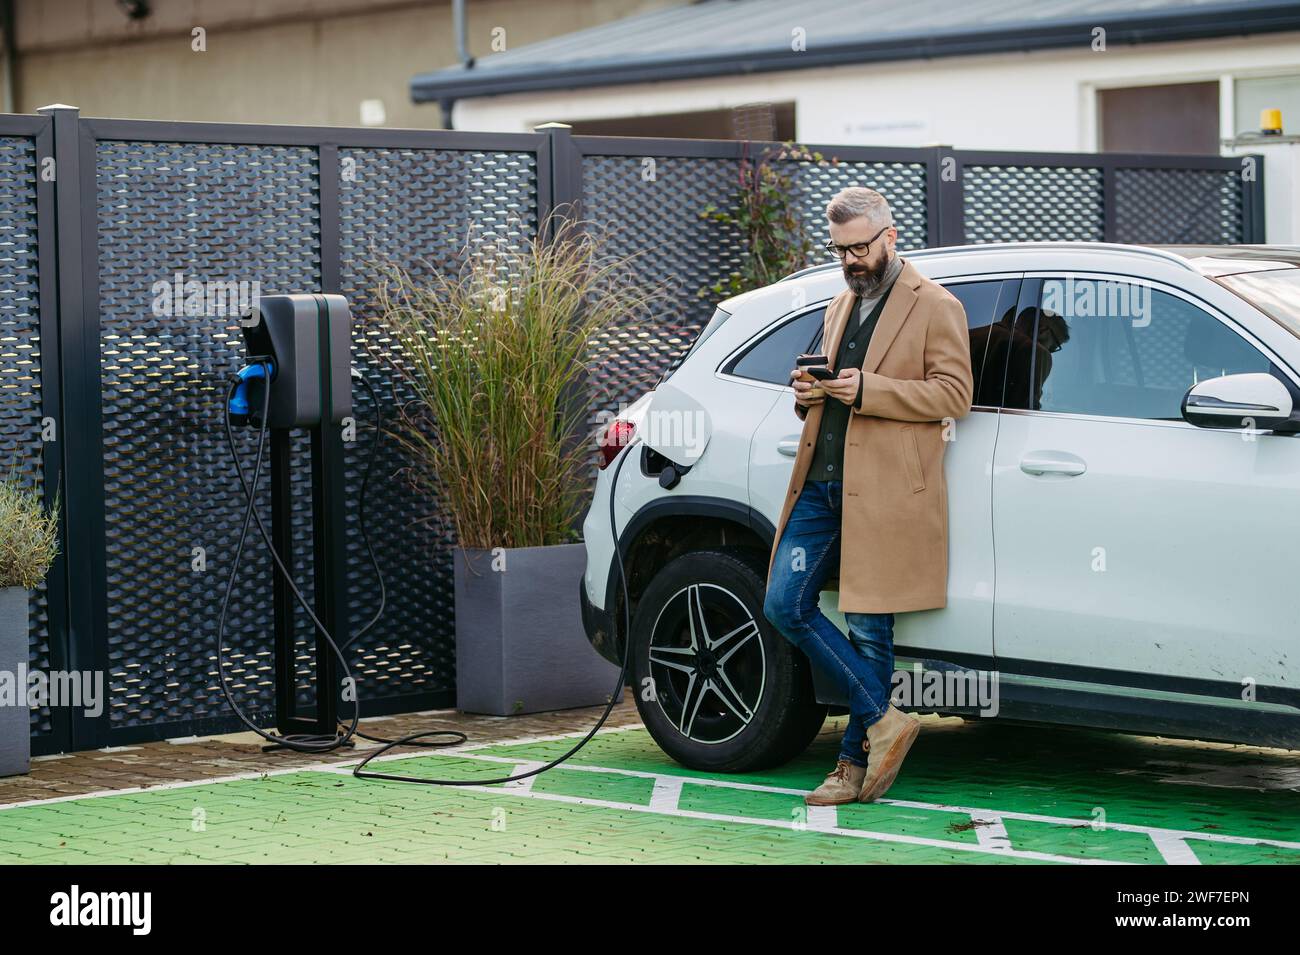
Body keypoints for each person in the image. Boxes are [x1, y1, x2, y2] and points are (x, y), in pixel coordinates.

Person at [762, 186, 974, 806]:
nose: (852, 260)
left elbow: (952, 395)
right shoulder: (838, 304)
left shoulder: (937, 306)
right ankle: (887, 716)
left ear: (890, 237)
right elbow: (832, 384)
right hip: (819, 486)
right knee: (783, 605)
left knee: (869, 633)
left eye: (860, 247)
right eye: (841, 250)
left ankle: (852, 768)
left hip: (885, 493)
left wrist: (871, 390)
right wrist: (810, 393)